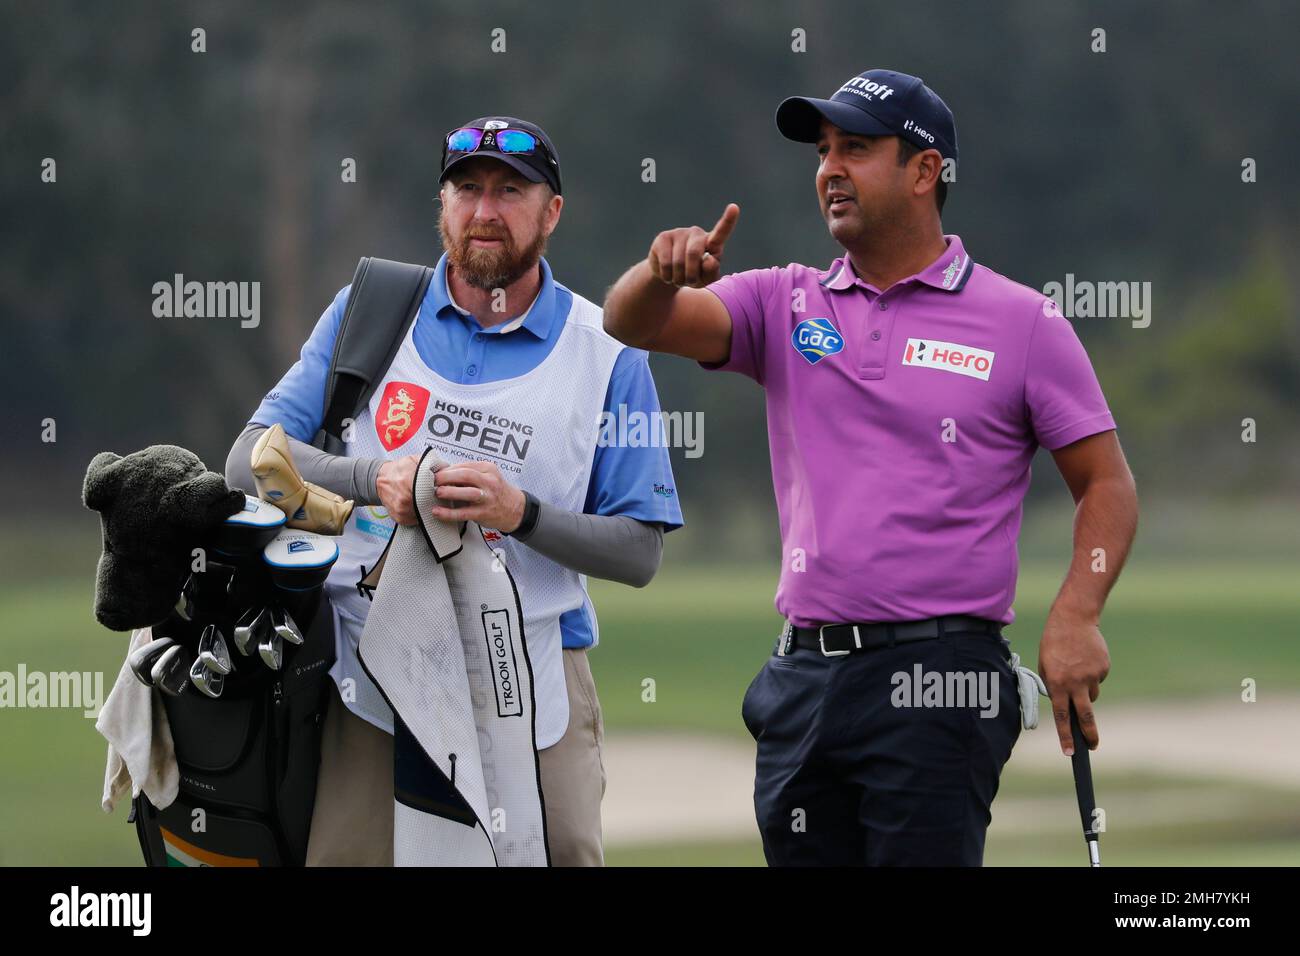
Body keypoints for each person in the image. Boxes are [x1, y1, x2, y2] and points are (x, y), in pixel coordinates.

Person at [602, 70, 1138, 865]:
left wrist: (1077, 613)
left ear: (925, 172)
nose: (829, 168)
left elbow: (1106, 484)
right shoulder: (784, 302)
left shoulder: (1023, 322)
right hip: (804, 681)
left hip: (939, 678)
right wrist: (660, 272)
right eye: (823, 151)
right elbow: (630, 321)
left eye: (856, 147)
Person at [226, 116, 683, 866]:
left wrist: (522, 514)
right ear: (442, 205)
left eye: (510, 191)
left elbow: (639, 554)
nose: (485, 212)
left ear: (552, 212)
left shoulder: (607, 354)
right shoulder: (369, 310)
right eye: (466, 189)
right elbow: (248, 461)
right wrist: (375, 479)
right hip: (368, 665)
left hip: (536, 672)